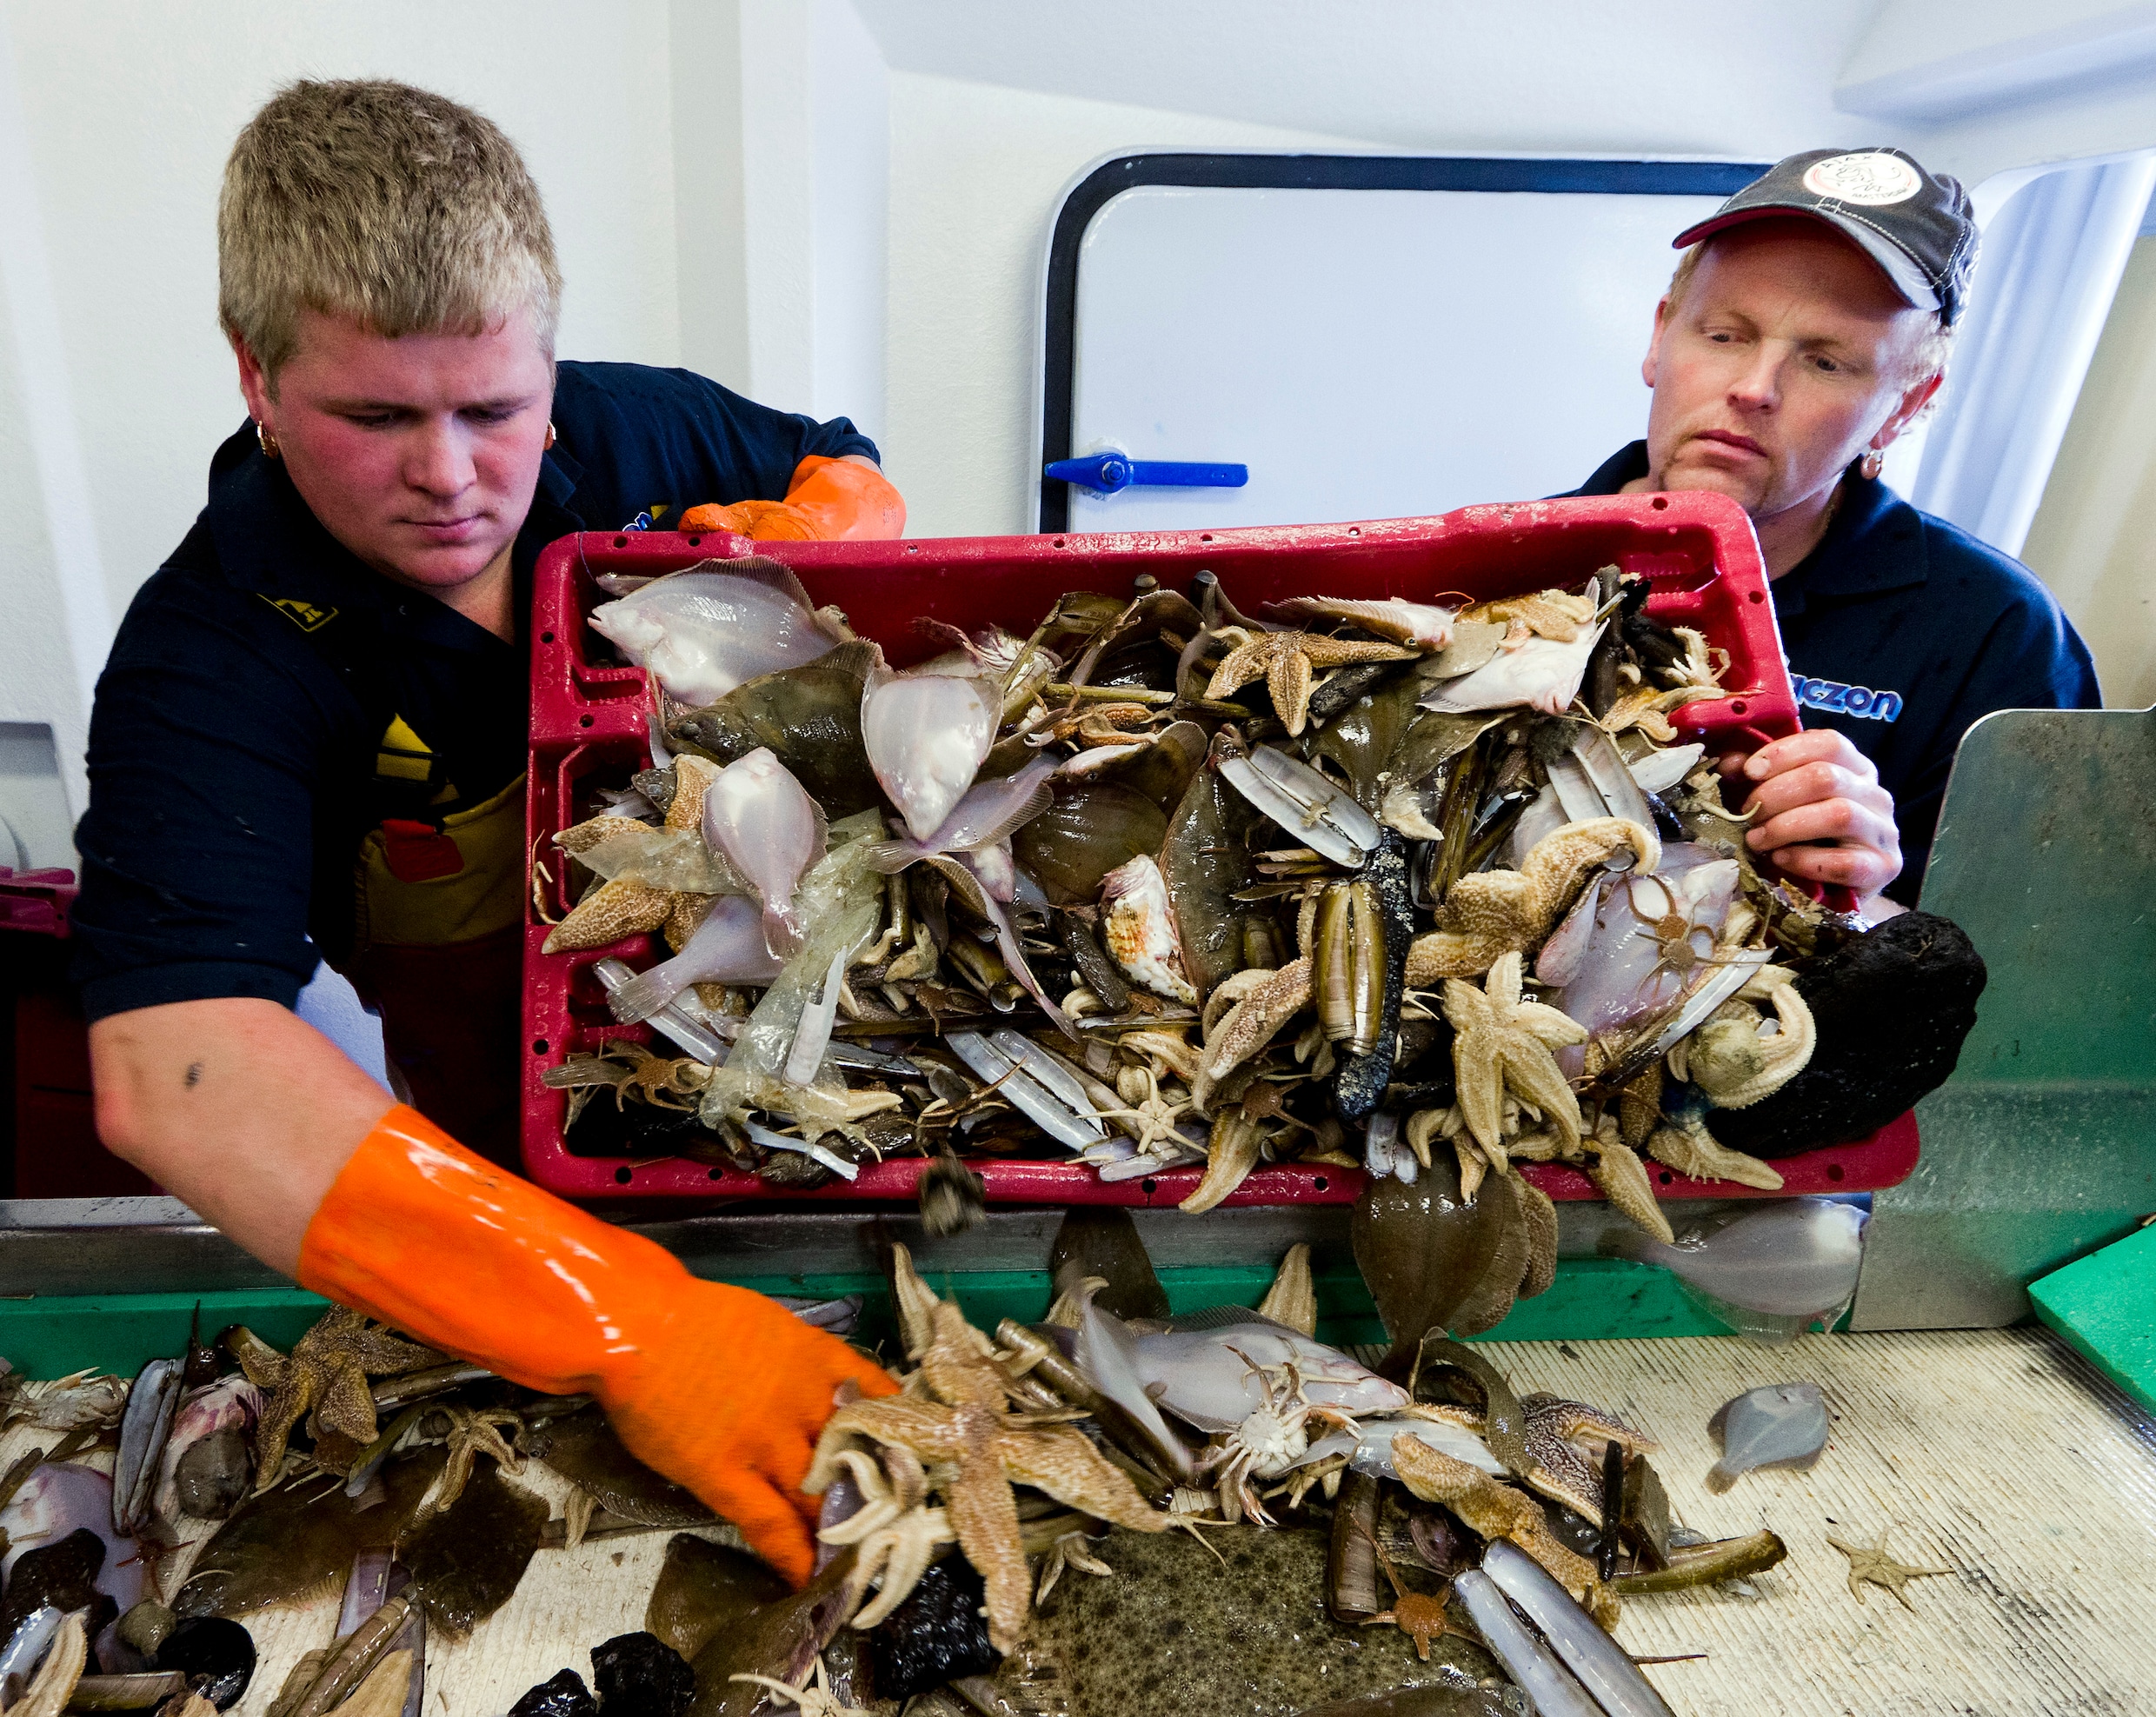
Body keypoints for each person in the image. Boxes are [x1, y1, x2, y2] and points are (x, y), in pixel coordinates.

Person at [71, 80, 901, 1585]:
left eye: (495, 409)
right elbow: (173, 1070)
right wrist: (631, 1324)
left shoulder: (631, 424)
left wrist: (823, 539)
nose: (452, 477)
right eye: (375, 418)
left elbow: (839, 460)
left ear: (545, 359)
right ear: (256, 377)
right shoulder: (212, 651)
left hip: (757, 992)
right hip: (485, 1101)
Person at [1568, 147, 2099, 909]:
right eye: (1724, 335)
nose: (1754, 388)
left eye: (1825, 362)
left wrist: (1868, 901)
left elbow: (2043, 955)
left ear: (1908, 406)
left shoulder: (1998, 634)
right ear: (1660, 339)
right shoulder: (1497, 572)